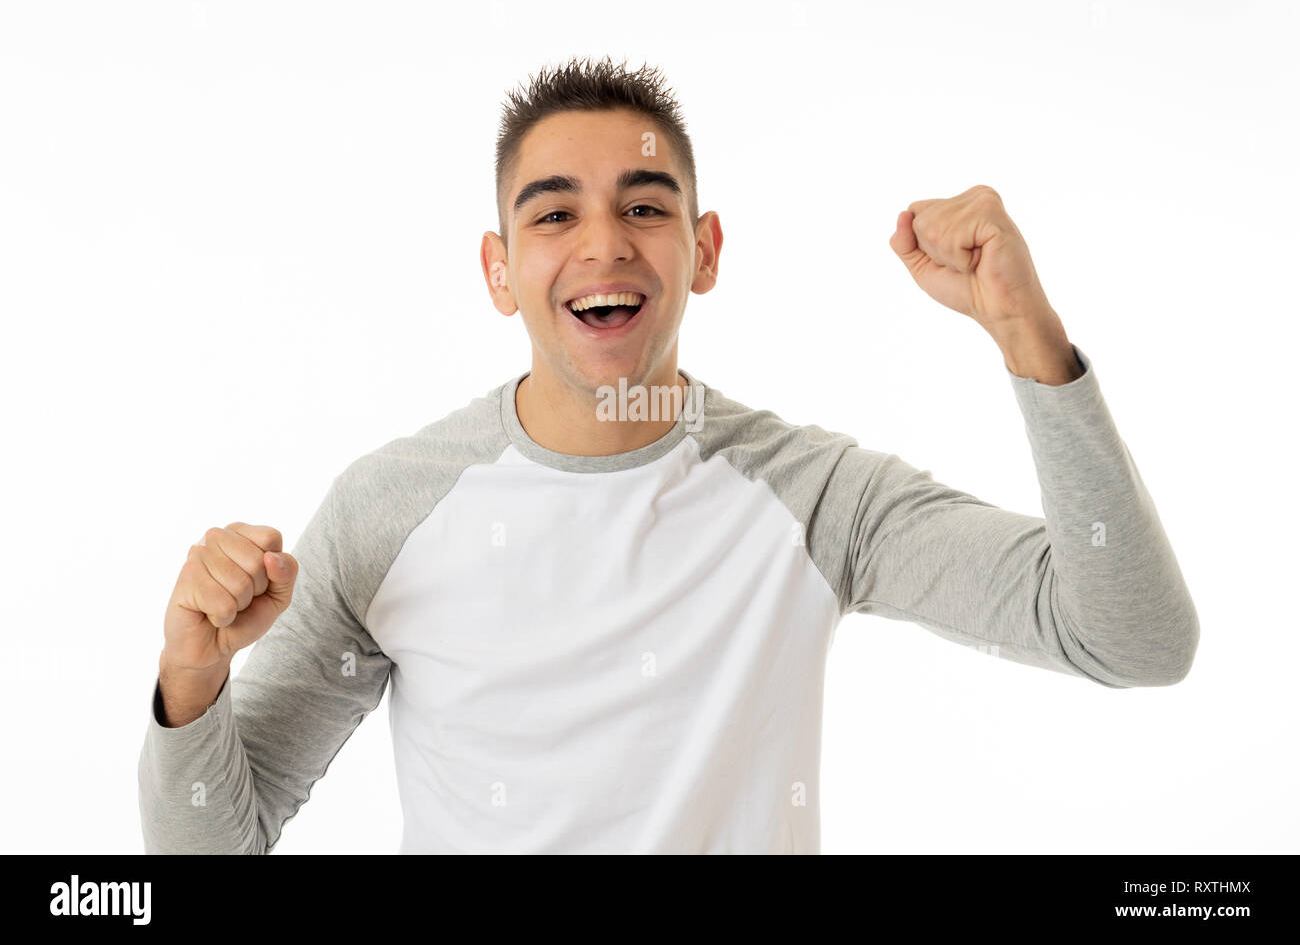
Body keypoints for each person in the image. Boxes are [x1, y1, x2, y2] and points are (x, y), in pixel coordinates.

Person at [138, 55, 1199, 854]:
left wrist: (1028, 337)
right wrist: (192, 679)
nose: (604, 243)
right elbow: (213, 844)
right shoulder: (388, 509)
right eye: (555, 213)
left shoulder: (816, 499)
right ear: (499, 271)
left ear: (705, 251)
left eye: (644, 206)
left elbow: (1130, 637)